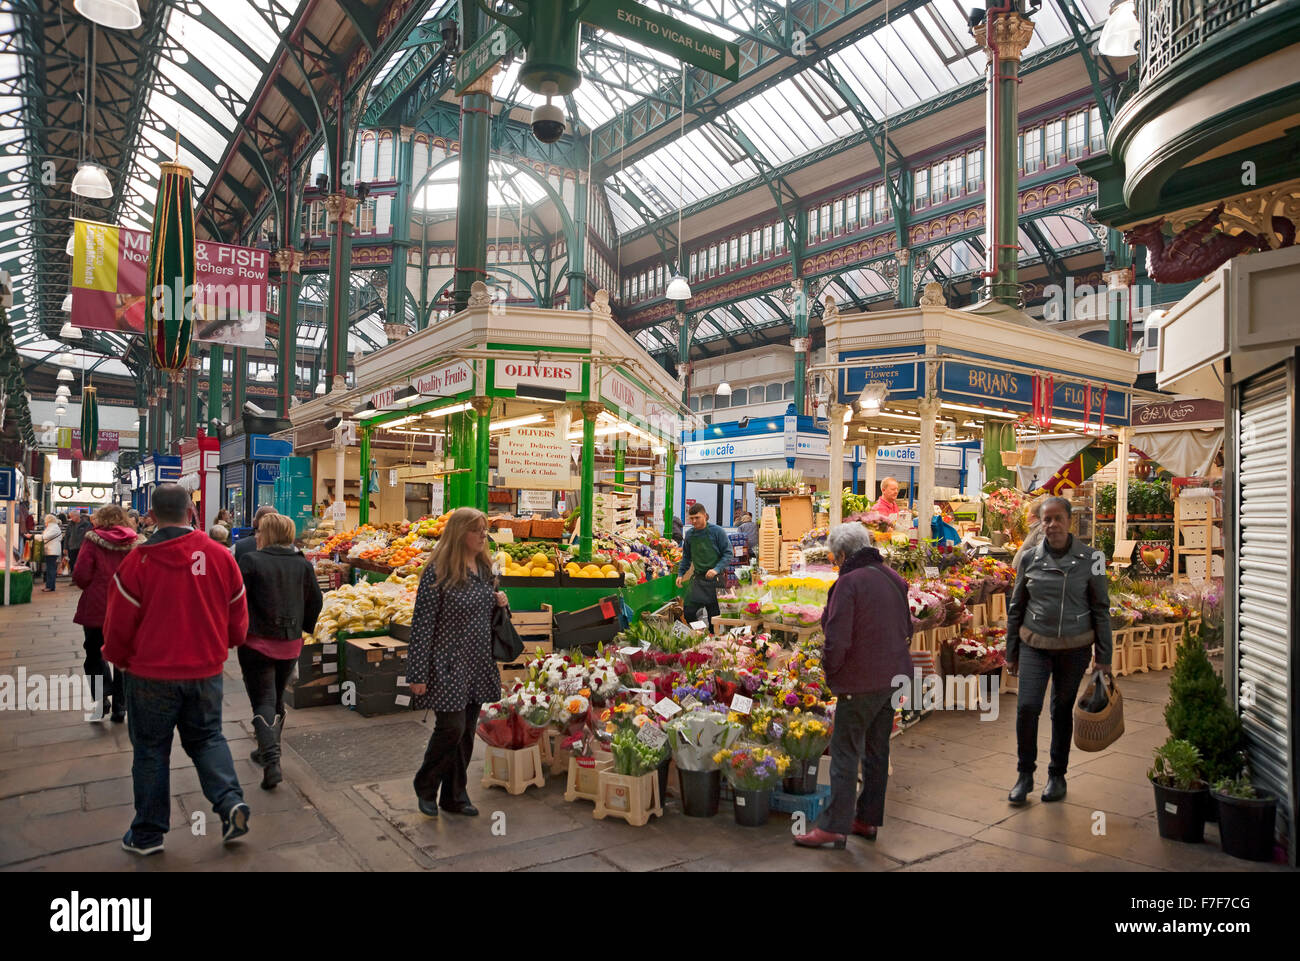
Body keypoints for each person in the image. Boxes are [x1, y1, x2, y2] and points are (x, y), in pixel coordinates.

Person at [102, 483, 251, 855]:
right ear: (191, 512)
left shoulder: (136, 563)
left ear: (150, 517)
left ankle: (148, 834)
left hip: (150, 674)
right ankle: (230, 802)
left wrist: (118, 658)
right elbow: (238, 616)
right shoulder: (220, 556)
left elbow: (118, 626)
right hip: (205, 671)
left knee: (151, 751)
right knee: (208, 738)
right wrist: (227, 642)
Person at [795, 523, 913, 849]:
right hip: (892, 678)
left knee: (846, 752)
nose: (835, 563)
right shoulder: (893, 578)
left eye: (835, 558)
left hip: (859, 681)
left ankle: (834, 826)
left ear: (844, 554)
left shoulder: (847, 583)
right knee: (877, 751)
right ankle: (867, 819)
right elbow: (908, 626)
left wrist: (832, 675)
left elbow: (837, 639)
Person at [1005, 495, 1112, 806]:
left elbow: (1101, 609)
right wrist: (1011, 651)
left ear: (1070, 521)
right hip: (1034, 645)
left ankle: (1057, 775)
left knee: (1062, 710)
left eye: (1057, 519)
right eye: (1045, 519)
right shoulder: (1028, 558)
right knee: (1026, 707)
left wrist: (1104, 658)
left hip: (1075, 648)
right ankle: (1025, 775)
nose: (1051, 525)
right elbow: (1016, 608)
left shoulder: (1094, 558)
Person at [408, 507, 509, 819]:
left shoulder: (484, 568)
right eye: (476, 530)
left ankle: (454, 795)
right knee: (451, 728)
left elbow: (486, 616)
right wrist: (417, 672)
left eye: (485, 530)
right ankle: (426, 784)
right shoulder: (438, 572)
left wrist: (500, 602)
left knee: (466, 733)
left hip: (477, 661)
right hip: (447, 662)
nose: (483, 536)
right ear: (458, 533)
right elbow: (422, 625)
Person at [237, 513, 322, 790]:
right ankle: (267, 750)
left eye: (260, 531)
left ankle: (271, 760)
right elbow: (315, 600)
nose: (257, 535)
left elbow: (236, 600)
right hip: (290, 643)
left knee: (262, 698)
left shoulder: (250, 561)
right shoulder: (302, 564)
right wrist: (303, 627)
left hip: (256, 642)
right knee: (276, 698)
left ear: (268, 533)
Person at [73, 505, 144, 722]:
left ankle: (101, 695)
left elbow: (81, 575)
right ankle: (121, 706)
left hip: (97, 605)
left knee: (94, 653)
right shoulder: (136, 542)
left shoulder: (92, 539)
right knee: (123, 656)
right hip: (128, 605)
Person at [675, 503, 731, 624]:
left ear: (705, 516)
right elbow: (686, 557)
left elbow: (728, 554)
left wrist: (716, 569)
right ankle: (699, 632)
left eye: (697, 517)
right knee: (689, 612)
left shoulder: (717, 532)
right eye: (691, 518)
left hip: (715, 581)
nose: (694, 521)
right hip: (698, 580)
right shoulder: (689, 535)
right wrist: (680, 573)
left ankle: (711, 639)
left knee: (714, 617)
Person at [1012, 497, 1047, 569]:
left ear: (1032, 515)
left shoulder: (1041, 529)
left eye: (1028, 512)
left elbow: (1040, 553)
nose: (1026, 514)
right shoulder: (1034, 528)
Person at [39, 514, 62, 592]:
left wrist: (33, 536)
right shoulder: (53, 527)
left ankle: (50, 586)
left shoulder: (53, 527)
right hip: (51, 550)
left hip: (52, 551)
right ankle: (50, 586)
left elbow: (45, 537)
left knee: (51, 569)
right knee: (50, 568)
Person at [66, 509, 92, 576]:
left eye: (72, 516)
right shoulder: (70, 524)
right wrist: (65, 547)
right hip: (71, 547)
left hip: (82, 547)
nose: (71, 518)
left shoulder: (86, 524)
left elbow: (88, 536)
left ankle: (82, 578)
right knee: (72, 563)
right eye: (70, 516)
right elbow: (67, 536)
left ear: (77, 516)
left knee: (81, 563)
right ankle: (74, 578)